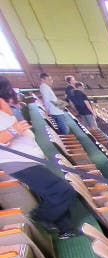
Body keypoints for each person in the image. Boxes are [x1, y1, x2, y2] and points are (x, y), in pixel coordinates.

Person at [0, 76, 78, 238]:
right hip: (18, 162)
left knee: (53, 192)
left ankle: (66, 229)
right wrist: (14, 130)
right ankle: (39, 216)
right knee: (64, 191)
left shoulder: (4, 107)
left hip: (28, 158)